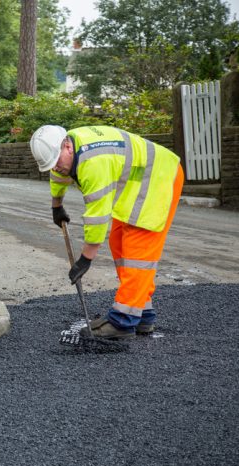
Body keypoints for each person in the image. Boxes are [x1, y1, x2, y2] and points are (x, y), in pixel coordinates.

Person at [29, 125, 184, 340]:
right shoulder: (69, 147)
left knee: (136, 252)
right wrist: (57, 205)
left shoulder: (93, 163)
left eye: (56, 160)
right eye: (50, 164)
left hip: (159, 178)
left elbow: (97, 218)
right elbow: (59, 174)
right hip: (139, 183)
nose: (55, 167)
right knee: (119, 241)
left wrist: (85, 259)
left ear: (67, 146)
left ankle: (123, 321)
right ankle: (142, 314)